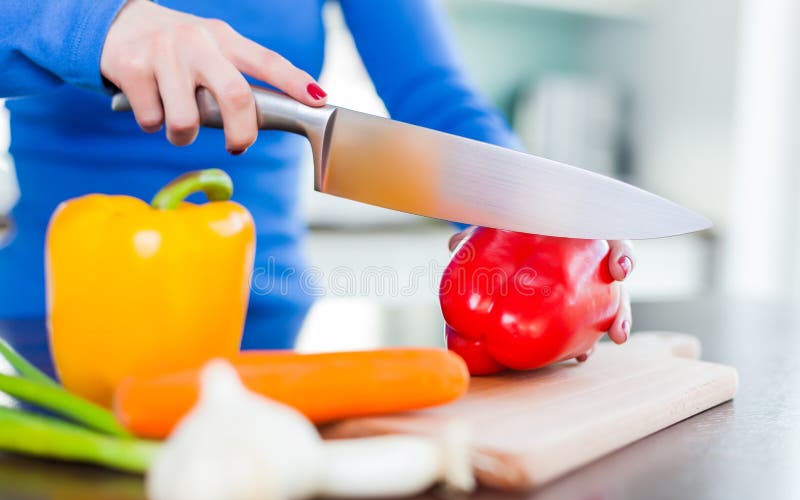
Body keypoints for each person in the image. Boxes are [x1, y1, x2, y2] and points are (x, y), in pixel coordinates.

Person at [0, 0, 633, 351]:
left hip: (264, 325)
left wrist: (544, 216)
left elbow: (436, 97)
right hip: (48, 329)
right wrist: (93, 27)